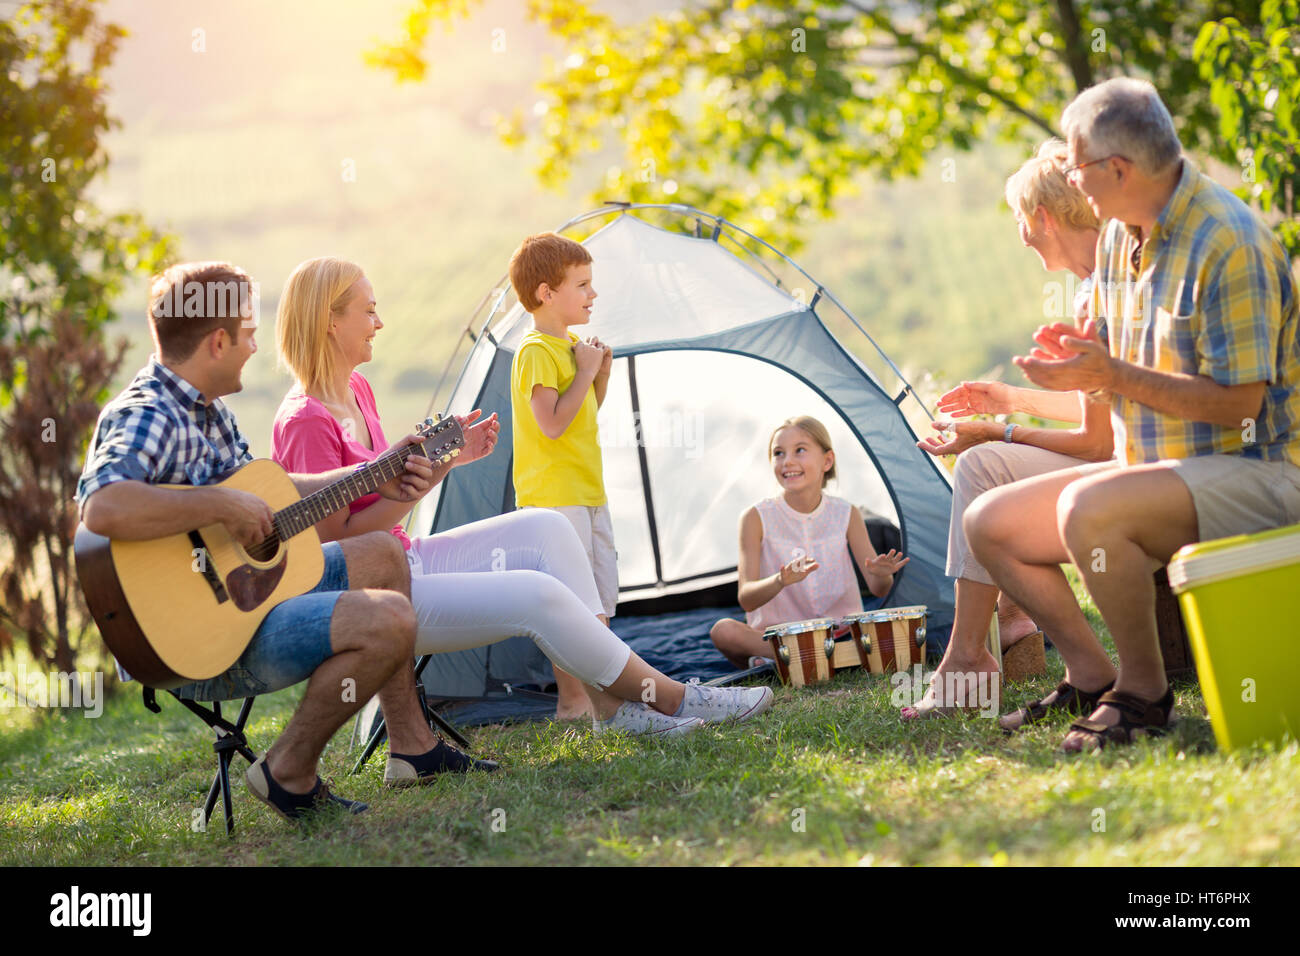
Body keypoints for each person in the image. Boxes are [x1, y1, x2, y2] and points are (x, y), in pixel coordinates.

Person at [270, 256, 775, 747]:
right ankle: (674, 697)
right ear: (330, 321)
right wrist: (418, 486)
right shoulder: (306, 420)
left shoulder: (357, 390)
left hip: (408, 558)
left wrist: (445, 462)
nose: (379, 322)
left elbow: (384, 499)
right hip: (373, 594)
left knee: (546, 528)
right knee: (536, 593)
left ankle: (615, 709)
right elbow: (338, 547)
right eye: (368, 310)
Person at [966, 77, 1300, 749]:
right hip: (1156, 467)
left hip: (1259, 469)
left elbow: (1240, 405)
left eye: (1075, 164)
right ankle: (1093, 677)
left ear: (1115, 169)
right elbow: (1115, 366)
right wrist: (1080, 360)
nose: (1069, 178)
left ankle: (1143, 696)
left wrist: (1110, 373)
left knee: (1090, 510)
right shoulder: (1121, 234)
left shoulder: (1228, 242)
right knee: (990, 523)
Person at [76, 261, 453, 824]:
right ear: (219, 339)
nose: (257, 346)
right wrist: (220, 505)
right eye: (249, 334)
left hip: (240, 596)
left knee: (384, 552)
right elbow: (103, 507)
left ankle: (413, 748)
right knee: (389, 620)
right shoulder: (147, 413)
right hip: (194, 637)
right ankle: (288, 770)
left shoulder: (211, 412)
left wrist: (376, 472)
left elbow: (273, 491)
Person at [904, 139, 1114, 718]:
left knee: (986, 459)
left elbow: (1101, 440)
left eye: (1022, 220)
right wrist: (1009, 400)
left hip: (1142, 464)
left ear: (1043, 217)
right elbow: (1101, 407)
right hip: (1124, 452)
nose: (1021, 235)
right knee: (979, 464)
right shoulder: (1094, 284)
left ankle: (982, 652)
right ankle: (975, 649)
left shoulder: (1113, 285)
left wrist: (1001, 430)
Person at [507, 232, 617, 720]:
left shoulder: (572, 346)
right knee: (571, 600)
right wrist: (585, 369)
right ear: (546, 293)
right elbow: (551, 425)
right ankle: (574, 701)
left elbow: (581, 414)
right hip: (555, 500)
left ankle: (604, 692)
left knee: (599, 594)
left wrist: (599, 376)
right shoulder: (535, 351)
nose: (592, 295)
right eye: (583, 285)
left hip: (588, 491)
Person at [709, 416, 909, 668]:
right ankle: (805, 657)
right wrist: (780, 580)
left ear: (827, 460)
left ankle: (797, 661)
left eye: (800, 450)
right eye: (778, 453)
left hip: (840, 634)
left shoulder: (847, 513)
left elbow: (879, 589)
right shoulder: (754, 517)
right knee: (723, 631)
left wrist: (882, 575)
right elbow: (746, 598)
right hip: (780, 638)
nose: (787, 461)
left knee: (894, 626)